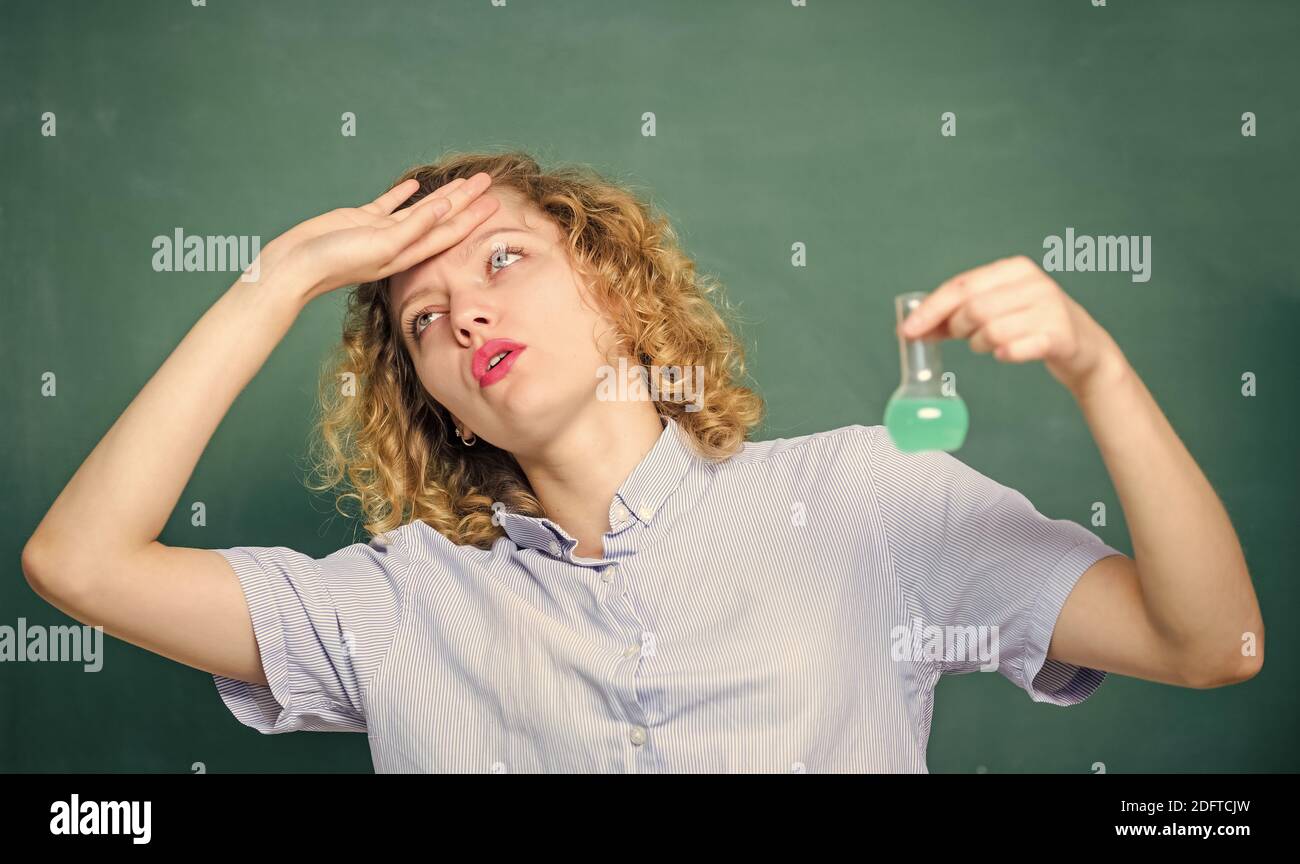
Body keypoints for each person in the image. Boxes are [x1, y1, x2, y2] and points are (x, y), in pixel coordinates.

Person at [21, 151, 1264, 773]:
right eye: (419, 316)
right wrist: (281, 277)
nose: (460, 314)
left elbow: (1212, 644)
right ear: (443, 407)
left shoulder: (868, 499)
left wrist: (1096, 368)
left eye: (501, 261)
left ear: (618, 294)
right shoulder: (390, 601)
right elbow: (76, 563)